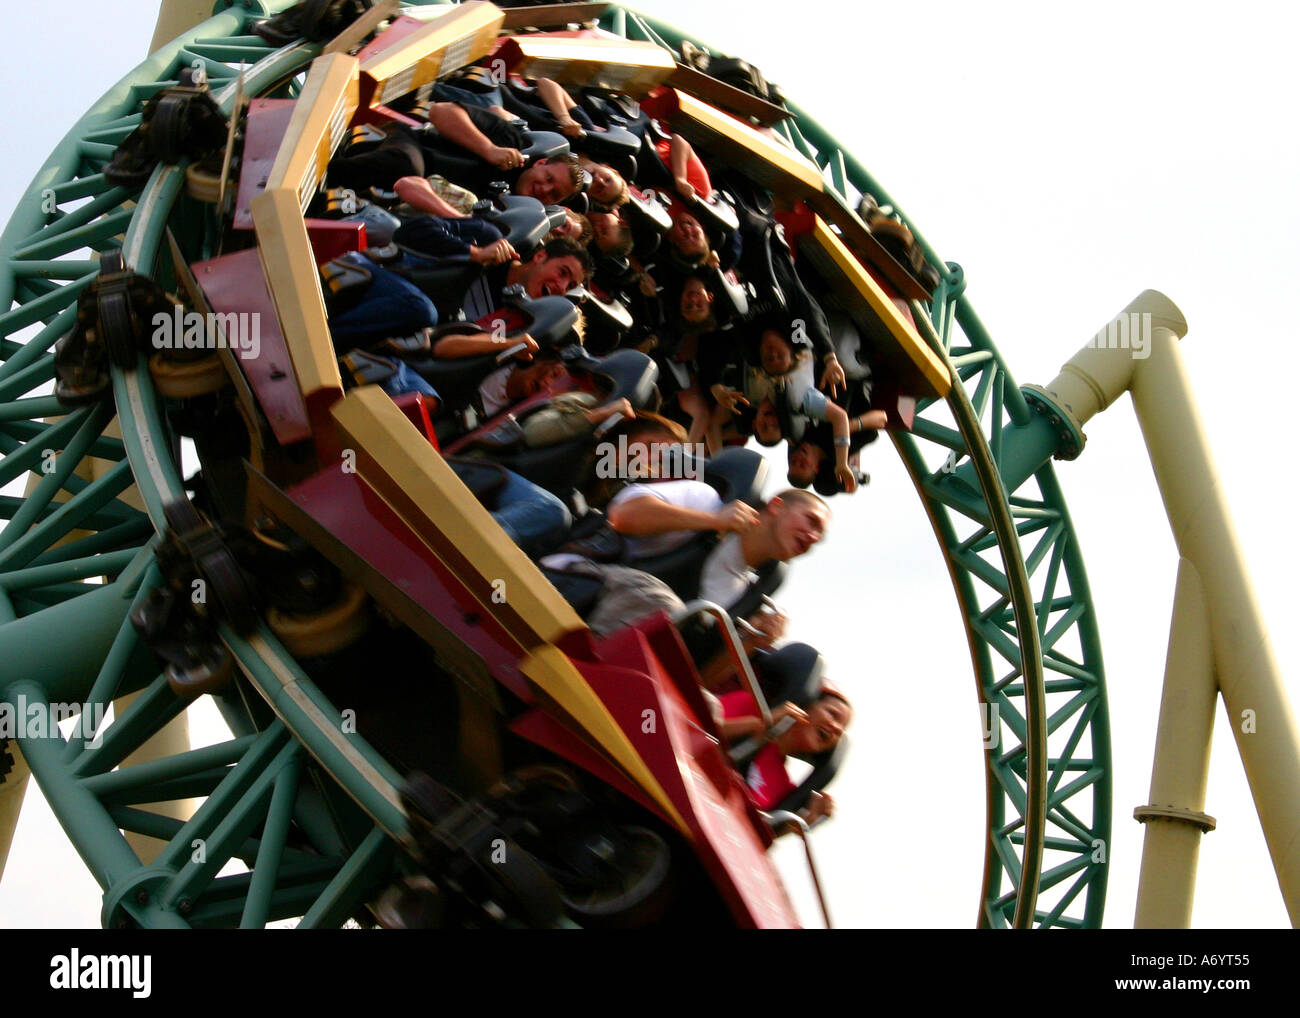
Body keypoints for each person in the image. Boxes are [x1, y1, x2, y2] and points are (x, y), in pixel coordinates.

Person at [714, 688, 850, 823]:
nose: (837, 728)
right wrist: (761, 725)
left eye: (840, 731)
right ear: (806, 705)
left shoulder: (784, 788)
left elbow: (757, 832)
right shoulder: (747, 706)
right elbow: (700, 731)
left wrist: (808, 819)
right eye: (832, 714)